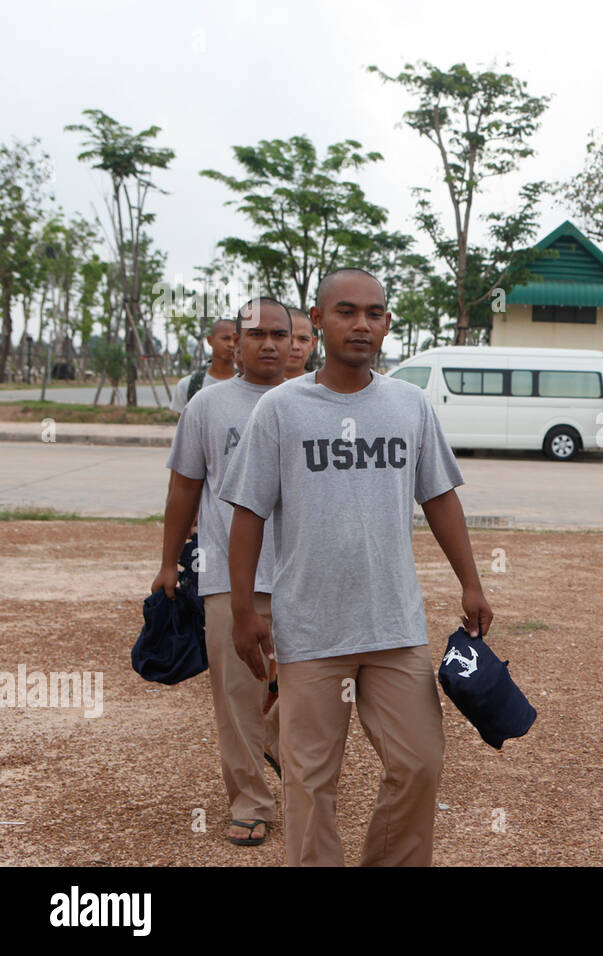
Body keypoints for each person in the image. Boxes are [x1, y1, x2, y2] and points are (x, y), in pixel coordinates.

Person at [220, 267, 492, 867]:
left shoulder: (409, 405)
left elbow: (440, 497)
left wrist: (471, 582)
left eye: (374, 313)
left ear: (388, 323)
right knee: (312, 783)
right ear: (315, 323)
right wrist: (243, 611)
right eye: (346, 311)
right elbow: (247, 514)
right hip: (311, 631)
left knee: (419, 762)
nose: (361, 324)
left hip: (393, 625)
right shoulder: (282, 409)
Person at [153, 297, 293, 847]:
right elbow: (184, 486)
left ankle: (281, 751)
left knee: (315, 692)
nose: (266, 343)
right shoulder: (207, 407)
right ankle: (251, 803)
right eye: (253, 334)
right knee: (237, 696)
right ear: (234, 342)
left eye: (278, 334)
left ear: (294, 341)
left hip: (306, 575)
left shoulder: (312, 401)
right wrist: (168, 561)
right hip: (227, 578)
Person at [169, 318, 238, 414]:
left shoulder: (248, 383)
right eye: (226, 338)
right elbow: (184, 427)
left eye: (236, 340)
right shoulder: (188, 386)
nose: (231, 344)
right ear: (210, 340)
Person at [285, 307, 319, 378]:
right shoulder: (258, 386)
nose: (295, 346)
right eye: (288, 339)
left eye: (303, 339)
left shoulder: (320, 387)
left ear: (313, 344)